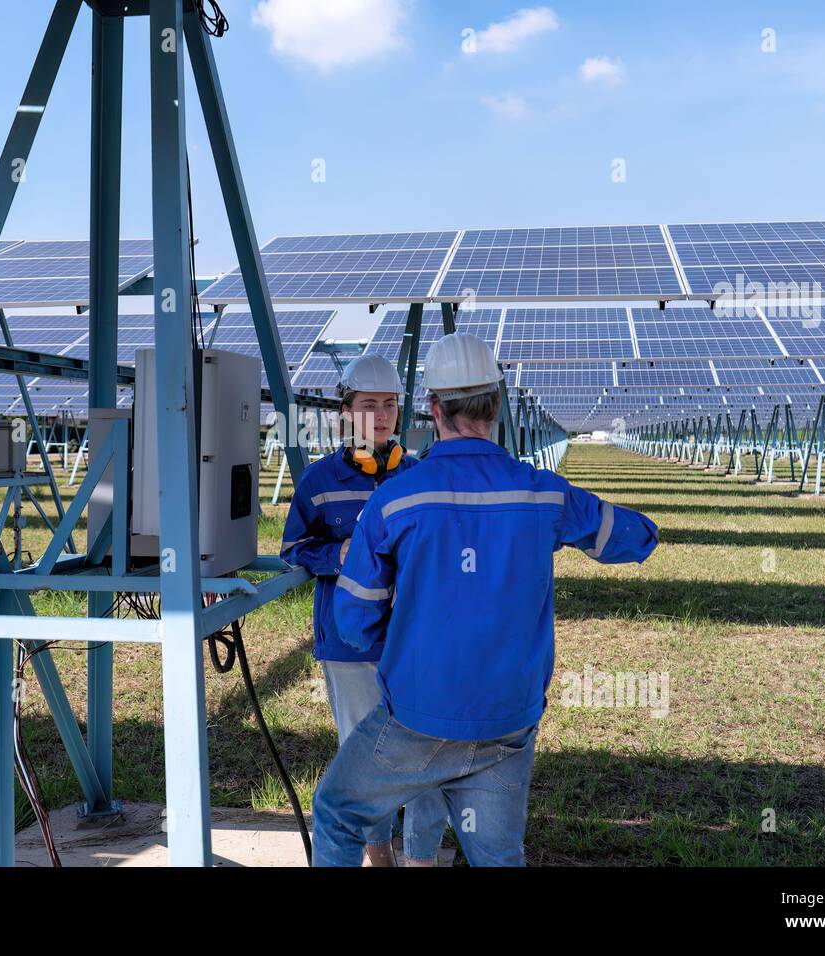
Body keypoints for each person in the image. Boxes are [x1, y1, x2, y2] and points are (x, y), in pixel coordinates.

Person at [313, 333, 659, 867]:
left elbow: (355, 620)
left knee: (337, 813)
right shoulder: (544, 493)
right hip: (508, 718)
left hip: (419, 714)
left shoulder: (395, 499)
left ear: (432, 409)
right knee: (498, 858)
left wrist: (407, 645)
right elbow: (636, 537)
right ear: (496, 405)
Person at [281, 353, 448, 866]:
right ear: (345, 412)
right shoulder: (318, 481)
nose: (381, 414)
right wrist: (339, 555)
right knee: (365, 757)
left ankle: (422, 857)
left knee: (427, 752)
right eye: (369, 404)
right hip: (348, 644)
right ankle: (381, 857)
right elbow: (294, 548)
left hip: (414, 641)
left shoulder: (422, 476)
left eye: (390, 404)